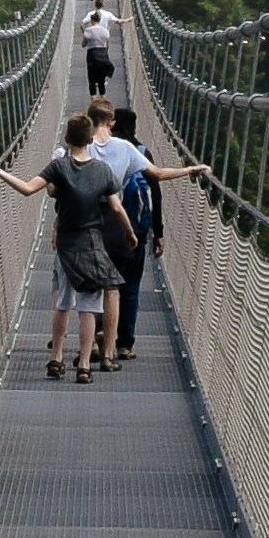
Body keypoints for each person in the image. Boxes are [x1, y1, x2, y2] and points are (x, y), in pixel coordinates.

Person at [0, 110, 141, 381]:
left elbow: (27, 189)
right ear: (91, 139)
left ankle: (55, 359)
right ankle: (83, 365)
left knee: (63, 303)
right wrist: (130, 233)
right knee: (90, 307)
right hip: (92, 246)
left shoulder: (59, 167)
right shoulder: (103, 170)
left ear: (67, 138)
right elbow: (116, 207)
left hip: (66, 245)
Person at [98, 103, 203, 364]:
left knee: (101, 286)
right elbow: (154, 190)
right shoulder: (139, 151)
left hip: (101, 229)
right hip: (137, 230)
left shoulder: (96, 149)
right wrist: (159, 232)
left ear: (112, 124)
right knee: (129, 288)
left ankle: (100, 338)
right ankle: (124, 344)